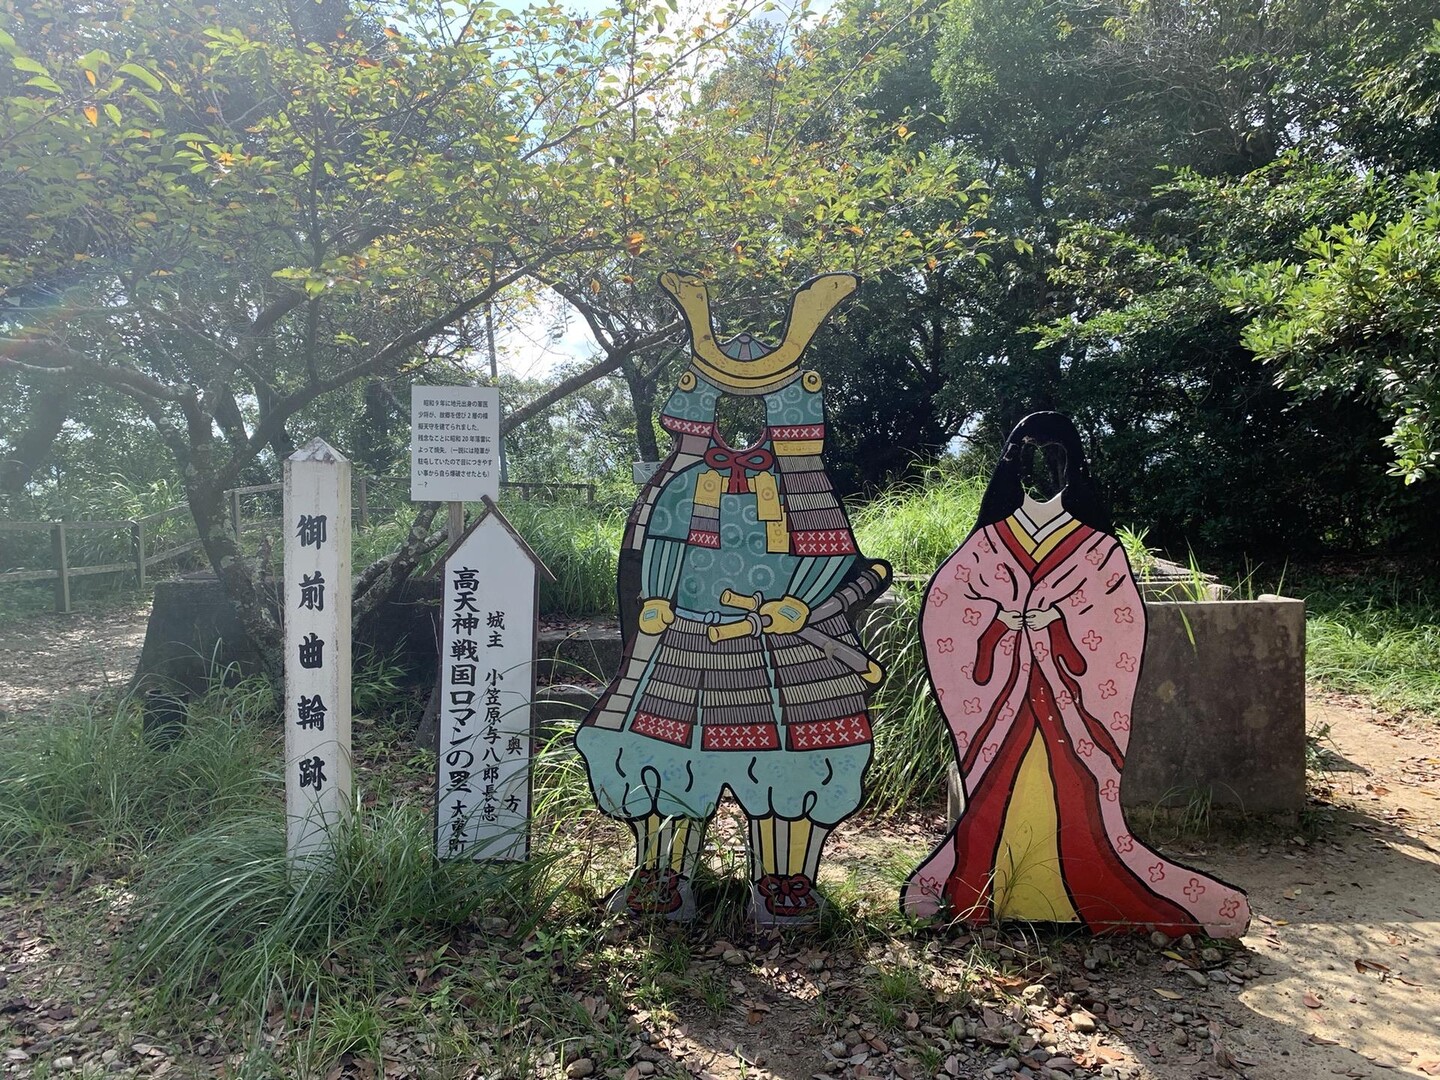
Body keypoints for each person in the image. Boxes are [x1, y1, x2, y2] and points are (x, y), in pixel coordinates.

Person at [575, 271, 890, 924]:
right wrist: (651, 610)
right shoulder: (676, 483)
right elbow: (641, 563)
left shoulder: (806, 485)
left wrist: (813, 610)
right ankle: (662, 873)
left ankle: (785, 881)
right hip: (687, 646)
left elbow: (860, 575)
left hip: (792, 658)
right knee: (664, 760)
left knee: (797, 765)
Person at [901, 412, 1250, 937]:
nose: (1042, 470)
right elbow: (949, 606)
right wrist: (1001, 621)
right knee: (998, 786)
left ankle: (1078, 895)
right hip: (1005, 703)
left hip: (1069, 702)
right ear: (1012, 466)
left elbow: (1119, 620)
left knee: (1076, 791)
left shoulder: (1098, 548)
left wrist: (1058, 623)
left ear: (1073, 466)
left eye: (1056, 457)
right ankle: (980, 892)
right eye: (1029, 458)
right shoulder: (988, 542)